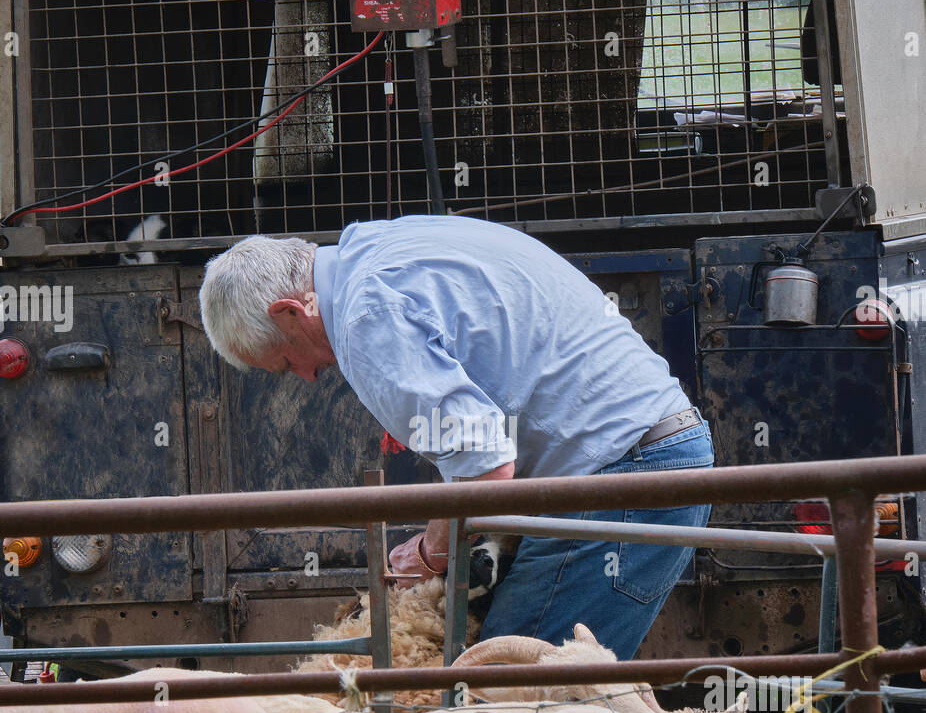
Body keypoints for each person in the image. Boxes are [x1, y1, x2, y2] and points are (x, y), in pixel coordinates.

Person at [199, 214, 713, 658]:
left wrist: (425, 554)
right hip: (644, 453)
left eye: (287, 361)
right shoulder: (377, 248)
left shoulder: (365, 319)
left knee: (509, 702)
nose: (308, 376)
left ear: (290, 312)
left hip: (623, 477)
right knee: (540, 699)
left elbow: (485, 469)